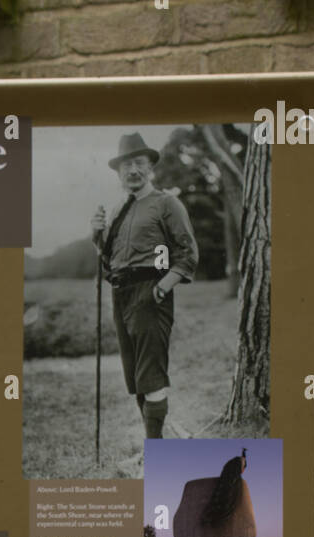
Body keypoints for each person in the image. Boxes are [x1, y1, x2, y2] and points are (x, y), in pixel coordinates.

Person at [90, 132, 199, 438]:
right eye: (126, 165)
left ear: (150, 167)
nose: (133, 170)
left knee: (151, 375)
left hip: (151, 292)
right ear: (119, 172)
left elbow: (188, 253)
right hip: (121, 296)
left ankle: (155, 456)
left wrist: (163, 287)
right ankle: (157, 444)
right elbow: (108, 262)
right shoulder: (117, 212)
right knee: (137, 378)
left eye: (139, 163)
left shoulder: (166, 203)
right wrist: (95, 235)